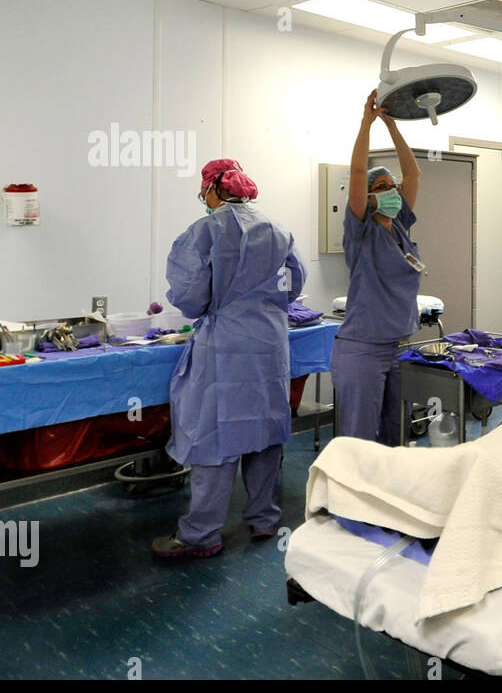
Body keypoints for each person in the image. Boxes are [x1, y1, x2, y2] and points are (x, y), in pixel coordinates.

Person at [154, 159, 307, 558]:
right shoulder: (277, 231)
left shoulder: (205, 231)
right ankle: (264, 520)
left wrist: (223, 303)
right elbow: (295, 283)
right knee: (264, 432)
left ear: (214, 190)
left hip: (225, 345)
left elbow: (189, 298)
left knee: (214, 436)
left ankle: (200, 535)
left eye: (203, 190)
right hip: (270, 344)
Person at [330, 90, 423, 443]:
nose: (392, 191)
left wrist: (392, 125)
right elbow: (357, 170)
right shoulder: (361, 232)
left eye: (392, 186)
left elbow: (413, 174)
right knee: (360, 441)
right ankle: (346, 500)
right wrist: (366, 122)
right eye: (381, 187)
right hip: (363, 350)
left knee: (396, 436)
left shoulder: (401, 225)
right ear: (367, 197)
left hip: (400, 345)